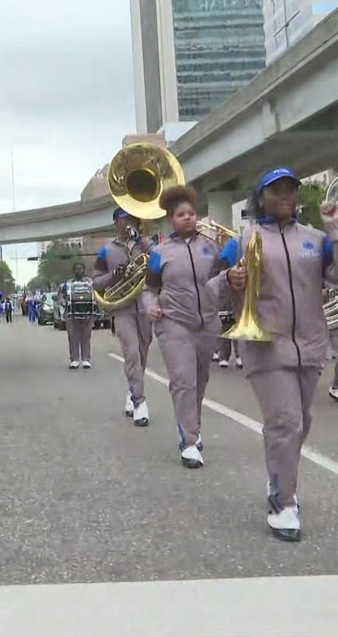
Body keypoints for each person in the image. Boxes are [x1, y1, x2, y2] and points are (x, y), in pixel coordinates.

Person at [211, 167, 338, 543]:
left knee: (300, 423)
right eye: (277, 190)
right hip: (264, 345)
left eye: (291, 189)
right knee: (286, 423)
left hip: (310, 344)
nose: (286, 195)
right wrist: (228, 280)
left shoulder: (316, 239)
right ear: (261, 198)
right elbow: (210, 290)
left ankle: (278, 474)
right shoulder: (242, 240)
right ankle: (283, 503)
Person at [143, 185, 224, 469]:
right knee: (183, 380)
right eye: (181, 214)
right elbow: (149, 288)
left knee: (200, 381)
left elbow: (225, 275)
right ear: (170, 219)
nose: (188, 218)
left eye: (191, 213)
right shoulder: (160, 252)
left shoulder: (211, 246)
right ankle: (188, 441)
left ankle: (194, 427)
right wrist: (150, 304)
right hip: (173, 322)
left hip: (208, 323)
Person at [93, 208, 155, 426]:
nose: (129, 222)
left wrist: (144, 242)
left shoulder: (145, 244)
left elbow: (159, 264)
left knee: (143, 352)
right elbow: (96, 282)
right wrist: (113, 275)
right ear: (115, 224)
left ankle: (132, 390)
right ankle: (140, 401)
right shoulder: (106, 251)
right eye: (124, 219)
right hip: (122, 308)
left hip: (145, 306)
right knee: (132, 354)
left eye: (132, 218)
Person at [59, 262, 95, 369]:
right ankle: (74, 359)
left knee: (86, 336)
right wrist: (63, 303)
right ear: (73, 271)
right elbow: (60, 295)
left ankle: (86, 359)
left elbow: (96, 294)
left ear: (84, 270)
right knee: (73, 336)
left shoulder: (90, 283)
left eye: (81, 269)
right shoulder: (68, 284)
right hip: (71, 313)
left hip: (87, 313)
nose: (79, 271)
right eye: (77, 269)